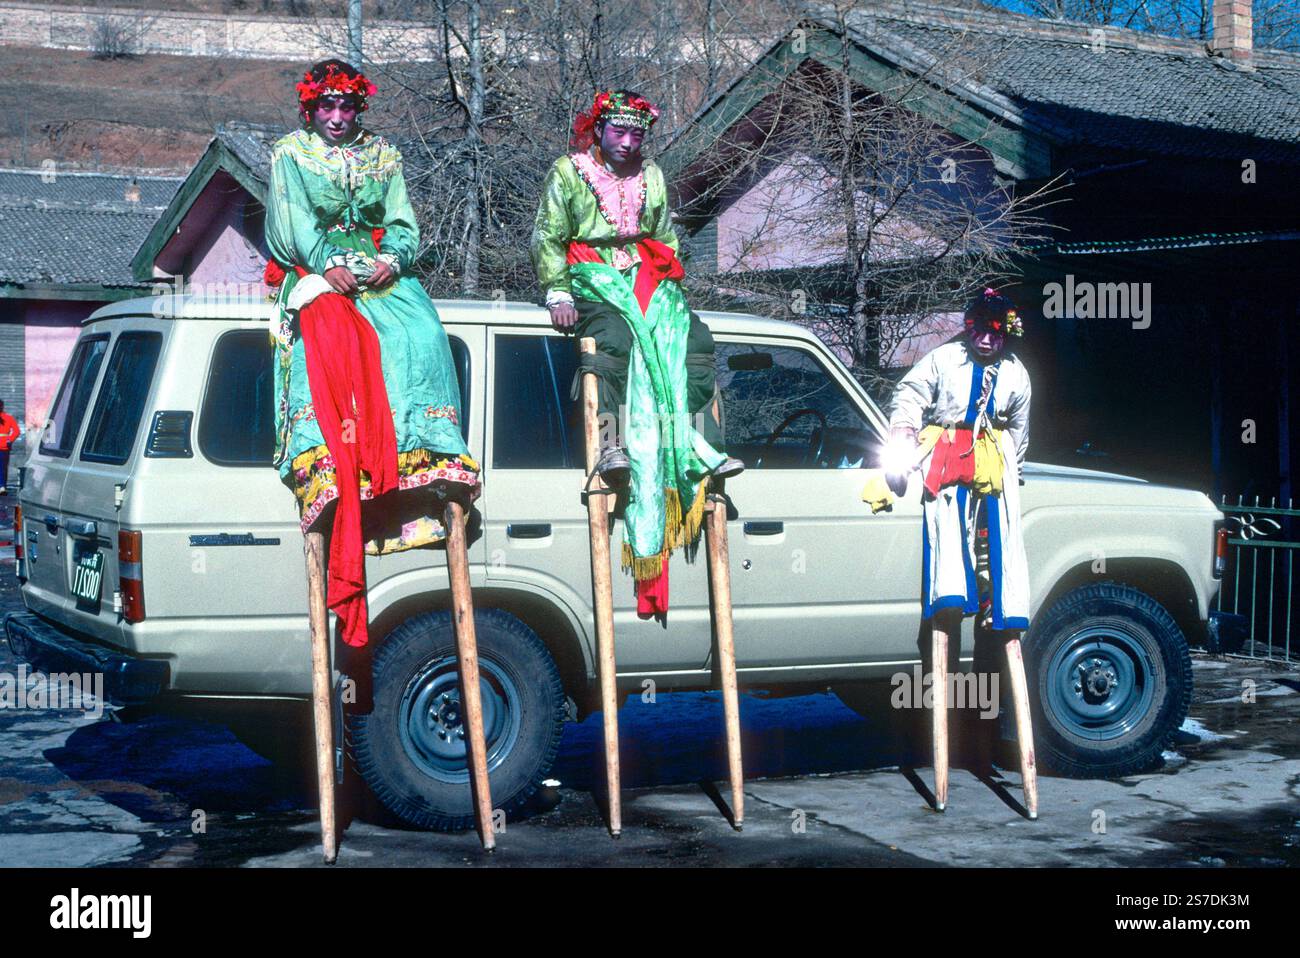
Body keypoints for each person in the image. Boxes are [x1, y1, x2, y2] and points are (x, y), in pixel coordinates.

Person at [264, 59, 479, 649]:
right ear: (310, 110)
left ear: (360, 109)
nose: (337, 118)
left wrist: (395, 259)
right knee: (334, 339)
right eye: (326, 107)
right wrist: (326, 265)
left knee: (421, 333)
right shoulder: (290, 154)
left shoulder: (384, 155)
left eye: (347, 107)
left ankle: (426, 450)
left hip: (378, 270)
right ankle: (331, 455)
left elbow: (403, 221)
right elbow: (291, 221)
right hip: (316, 266)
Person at [529, 88, 742, 616]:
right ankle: (610, 442)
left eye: (637, 134)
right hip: (591, 276)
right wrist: (557, 291)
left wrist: (663, 279)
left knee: (690, 338)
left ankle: (699, 443)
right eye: (618, 132)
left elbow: (665, 234)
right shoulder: (568, 172)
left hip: (644, 275)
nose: (627, 143)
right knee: (615, 341)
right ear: (599, 130)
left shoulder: (653, 177)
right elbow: (548, 237)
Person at [0, 399, 19, 495]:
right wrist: (9, 440)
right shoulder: (9, 417)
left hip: (3, 446)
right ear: (2, 407)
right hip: (4, 446)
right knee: (3, 467)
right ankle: (2, 486)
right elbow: (16, 431)